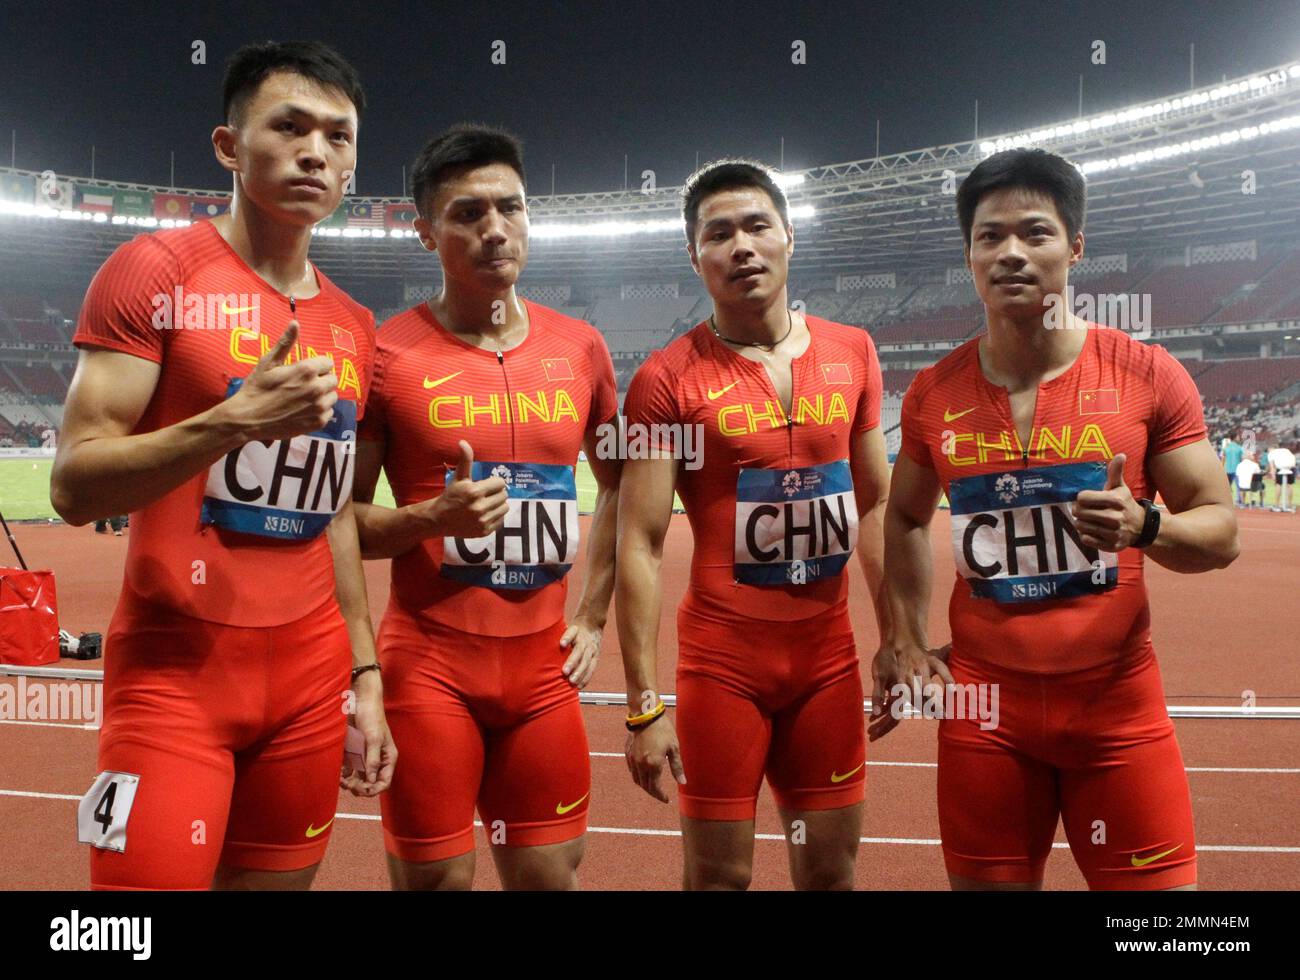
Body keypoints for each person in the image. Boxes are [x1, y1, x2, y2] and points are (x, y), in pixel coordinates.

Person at [51, 40, 394, 890]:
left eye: (340, 136)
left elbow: (337, 517)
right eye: (290, 126)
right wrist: (227, 424)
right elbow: (73, 483)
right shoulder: (155, 273)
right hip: (174, 684)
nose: (317, 150)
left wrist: (366, 676)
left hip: (312, 686)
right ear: (228, 146)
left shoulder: (354, 323)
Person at [878, 147, 1239, 891]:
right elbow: (905, 517)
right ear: (969, 255)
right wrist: (905, 638)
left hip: (1119, 712)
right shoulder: (932, 395)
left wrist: (1146, 526)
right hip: (985, 717)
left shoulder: (1146, 373)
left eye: (1035, 233)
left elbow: (1221, 531)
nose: (1010, 252)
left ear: (1076, 246)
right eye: (989, 236)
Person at [353, 125, 621, 891]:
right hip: (428, 665)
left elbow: (627, 485)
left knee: (548, 878)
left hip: (544, 669)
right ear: (425, 232)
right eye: (468, 213)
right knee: (436, 883)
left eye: (510, 208)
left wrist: (595, 610)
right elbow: (340, 521)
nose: (494, 229)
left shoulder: (581, 348)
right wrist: (429, 519)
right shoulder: (386, 353)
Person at [618, 160, 891, 890]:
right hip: (721, 668)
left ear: (790, 237)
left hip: (827, 664)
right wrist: (643, 706)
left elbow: (878, 505)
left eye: (756, 226)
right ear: (694, 256)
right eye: (719, 234)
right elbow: (640, 541)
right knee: (717, 879)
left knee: (832, 875)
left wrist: (898, 639)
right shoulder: (665, 380)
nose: (741, 246)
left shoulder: (854, 351)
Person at [1268, 443, 1295, 512]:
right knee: (1290, 484)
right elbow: (1292, 457)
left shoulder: (1271, 453)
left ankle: (1277, 505)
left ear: (1271, 449)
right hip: (1291, 466)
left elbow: (1272, 467)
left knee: (1278, 484)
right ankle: (1290, 504)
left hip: (1281, 467)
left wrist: (1274, 476)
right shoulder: (1286, 450)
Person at [1221, 436, 1243, 506]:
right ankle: (1239, 501)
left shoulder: (1226, 448)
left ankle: (1226, 502)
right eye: (1238, 437)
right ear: (1235, 438)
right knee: (1238, 487)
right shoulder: (1239, 448)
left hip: (1227, 469)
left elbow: (1223, 459)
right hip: (1237, 470)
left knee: (1227, 487)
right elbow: (1241, 460)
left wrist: (1221, 468)